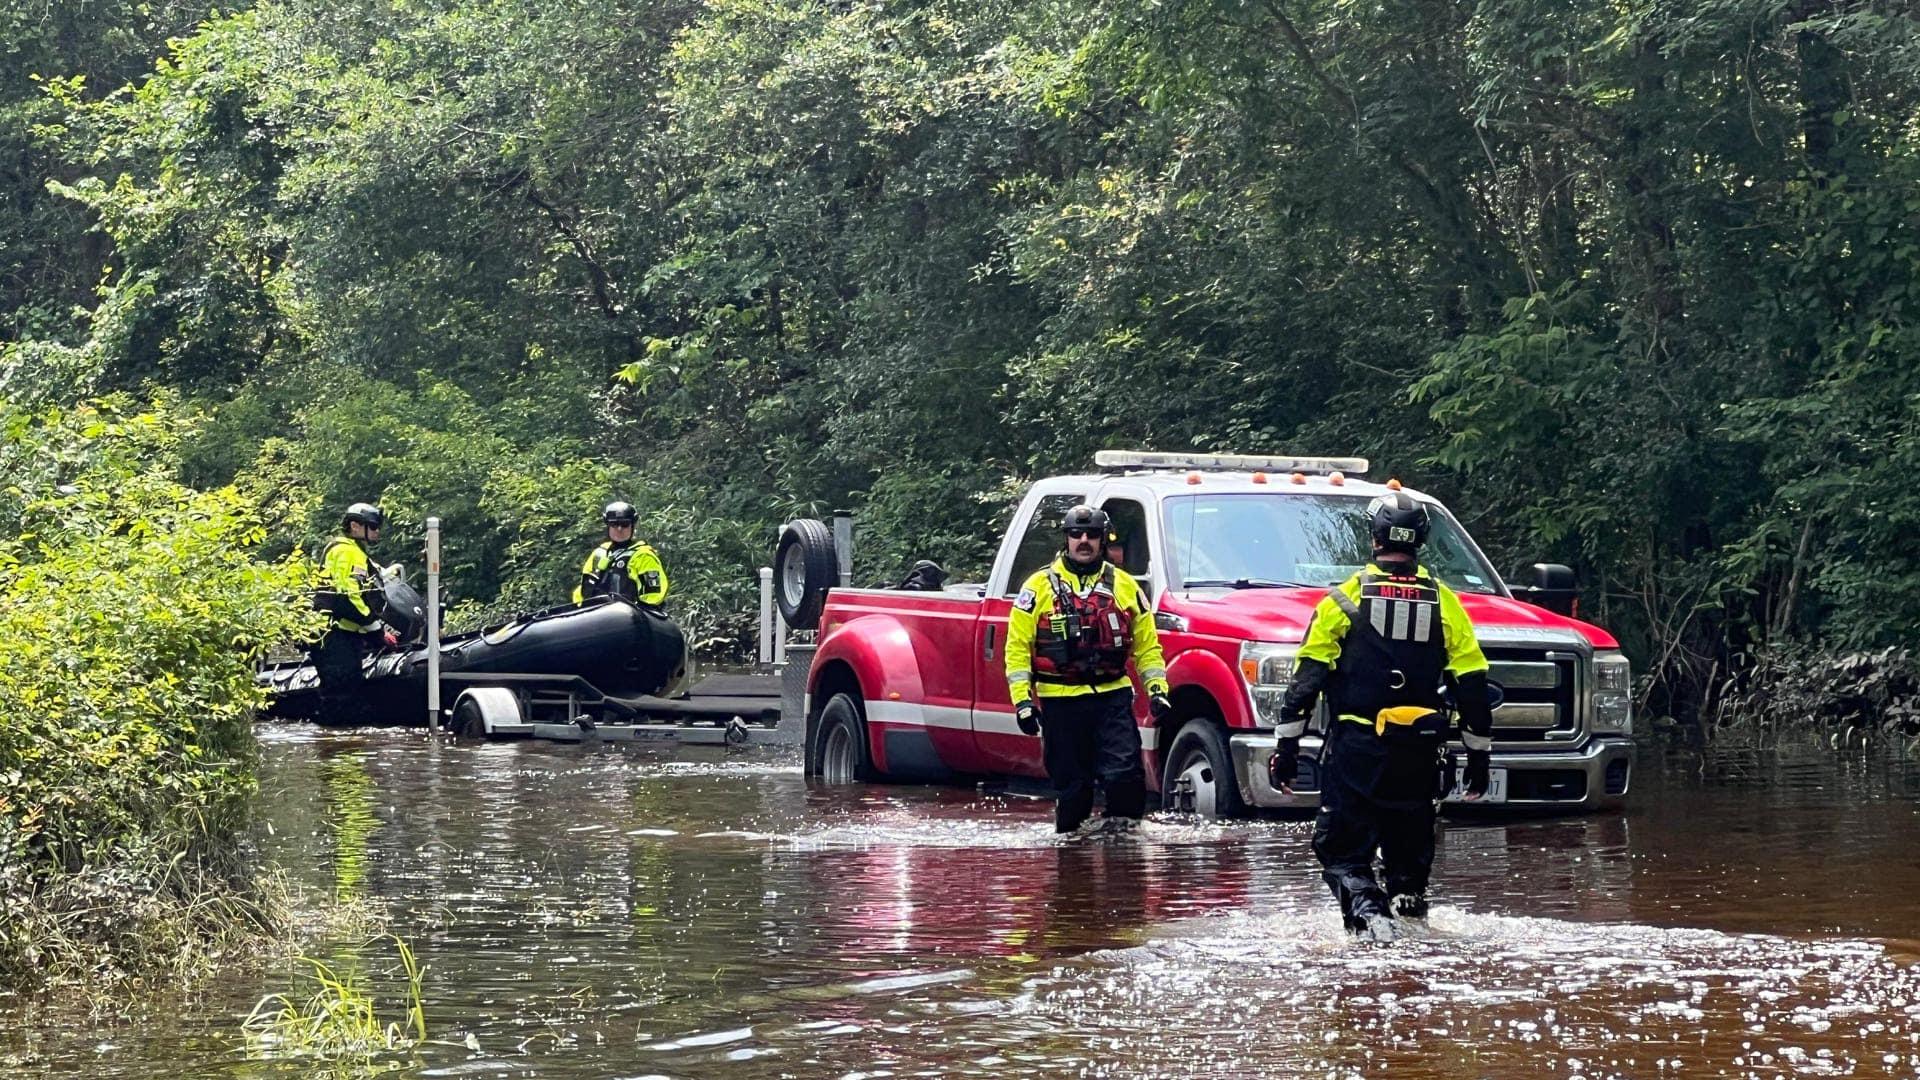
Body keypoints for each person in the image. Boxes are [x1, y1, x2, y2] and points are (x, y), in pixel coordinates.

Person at [1267, 489, 1496, 942]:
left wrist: (1286, 751)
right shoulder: (1446, 604)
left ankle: (1370, 919)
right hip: (1420, 756)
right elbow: (1472, 690)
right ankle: (1408, 923)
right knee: (1408, 865)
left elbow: (1303, 687)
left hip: (1357, 752)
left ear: (1373, 538)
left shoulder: (1341, 602)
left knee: (1343, 854)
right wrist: (1480, 762)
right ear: (1421, 541)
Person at [1005, 504, 1174, 835]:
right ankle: (1072, 870)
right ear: (1066, 539)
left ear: (1103, 540)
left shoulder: (1125, 587)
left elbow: (1147, 647)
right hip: (1060, 702)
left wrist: (1158, 691)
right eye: (1076, 534)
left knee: (1125, 776)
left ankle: (1125, 864)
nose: (1084, 540)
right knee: (1073, 790)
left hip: (1111, 699)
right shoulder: (1037, 588)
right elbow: (1017, 649)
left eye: (1092, 535)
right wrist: (1023, 703)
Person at [310, 502, 397, 724]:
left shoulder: (353, 552)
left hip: (341, 634)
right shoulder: (346, 552)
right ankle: (336, 749)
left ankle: (339, 748)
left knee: (344, 694)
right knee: (340, 696)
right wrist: (376, 630)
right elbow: (348, 596)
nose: (377, 532)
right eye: (373, 526)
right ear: (356, 526)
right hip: (335, 635)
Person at [573, 501, 668, 606]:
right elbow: (582, 593)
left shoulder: (643, 556)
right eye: (614, 524)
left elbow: (653, 597)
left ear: (632, 526)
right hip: (597, 617)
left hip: (629, 619)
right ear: (608, 526)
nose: (619, 529)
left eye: (625, 524)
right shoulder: (599, 554)